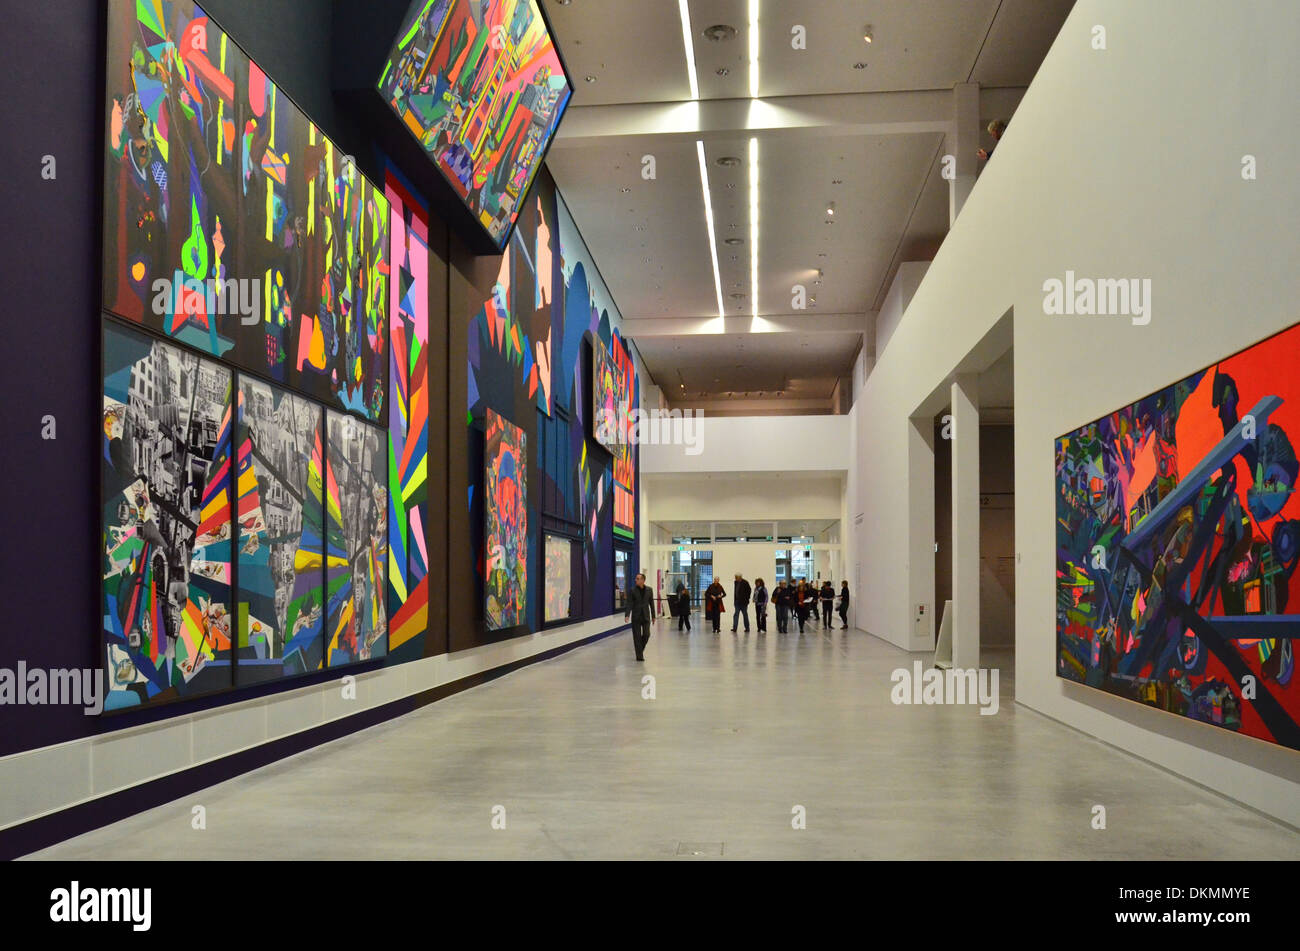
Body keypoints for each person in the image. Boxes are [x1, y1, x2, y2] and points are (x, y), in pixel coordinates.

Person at [625, 572, 655, 661]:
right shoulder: (632, 591)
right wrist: (627, 615)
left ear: (643, 580)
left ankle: (639, 651)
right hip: (636, 617)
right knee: (637, 637)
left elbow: (651, 603)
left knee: (647, 634)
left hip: (646, 616)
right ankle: (639, 656)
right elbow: (629, 603)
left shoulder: (649, 590)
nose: (636, 580)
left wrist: (653, 616)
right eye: (636, 578)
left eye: (638, 579)